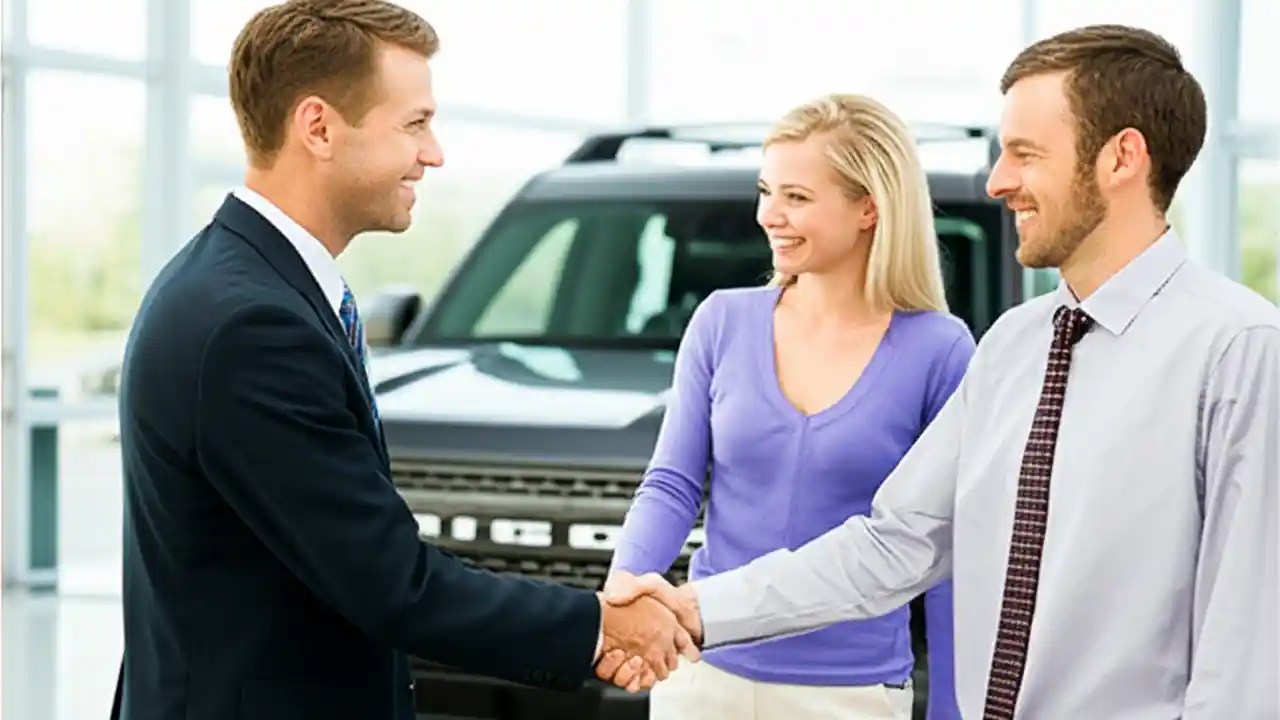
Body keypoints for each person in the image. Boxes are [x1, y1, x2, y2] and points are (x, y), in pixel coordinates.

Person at [605, 23, 1280, 720]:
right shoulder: (1012, 349)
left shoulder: (1237, 351)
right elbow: (895, 544)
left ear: (1122, 158)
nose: (997, 182)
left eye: (1024, 153)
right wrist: (691, 607)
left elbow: (1248, 646)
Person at [110, 2, 693, 718]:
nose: (435, 152)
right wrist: (600, 625)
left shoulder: (237, 284)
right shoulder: (253, 324)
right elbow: (391, 583)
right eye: (415, 123)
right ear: (318, 127)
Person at [605, 93, 971, 719]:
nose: (768, 215)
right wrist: (620, 601)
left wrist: (952, 710)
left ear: (869, 208)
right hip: (701, 676)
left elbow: (943, 554)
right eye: (765, 190)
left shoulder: (940, 350)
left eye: (796, 197)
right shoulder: (722, 320)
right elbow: (671, 485)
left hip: (849, 694)